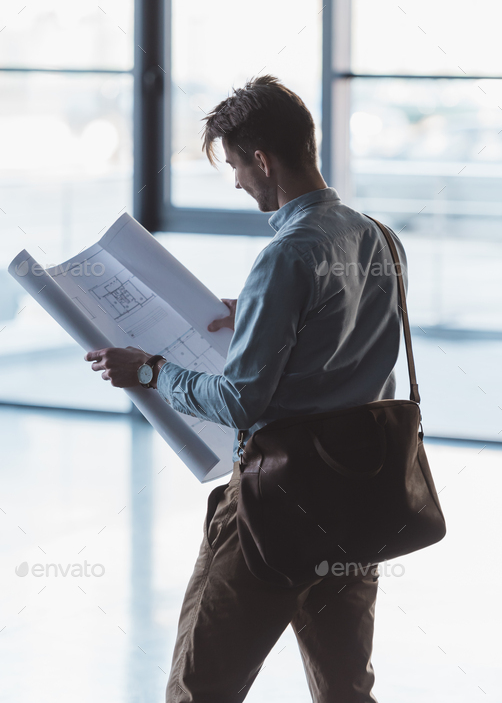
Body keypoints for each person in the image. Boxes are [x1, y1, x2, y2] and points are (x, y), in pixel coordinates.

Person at [85, 75, 407, 702]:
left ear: (262, 159)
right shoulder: (375, 236)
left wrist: (149, 370)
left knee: (201, 690)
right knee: (346, 691)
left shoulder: (286, 256)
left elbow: (240, 402)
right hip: (358, 501)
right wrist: (260, 315)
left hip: (278, 506)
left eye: (234, 164)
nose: (235, 180)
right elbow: (352, 346)